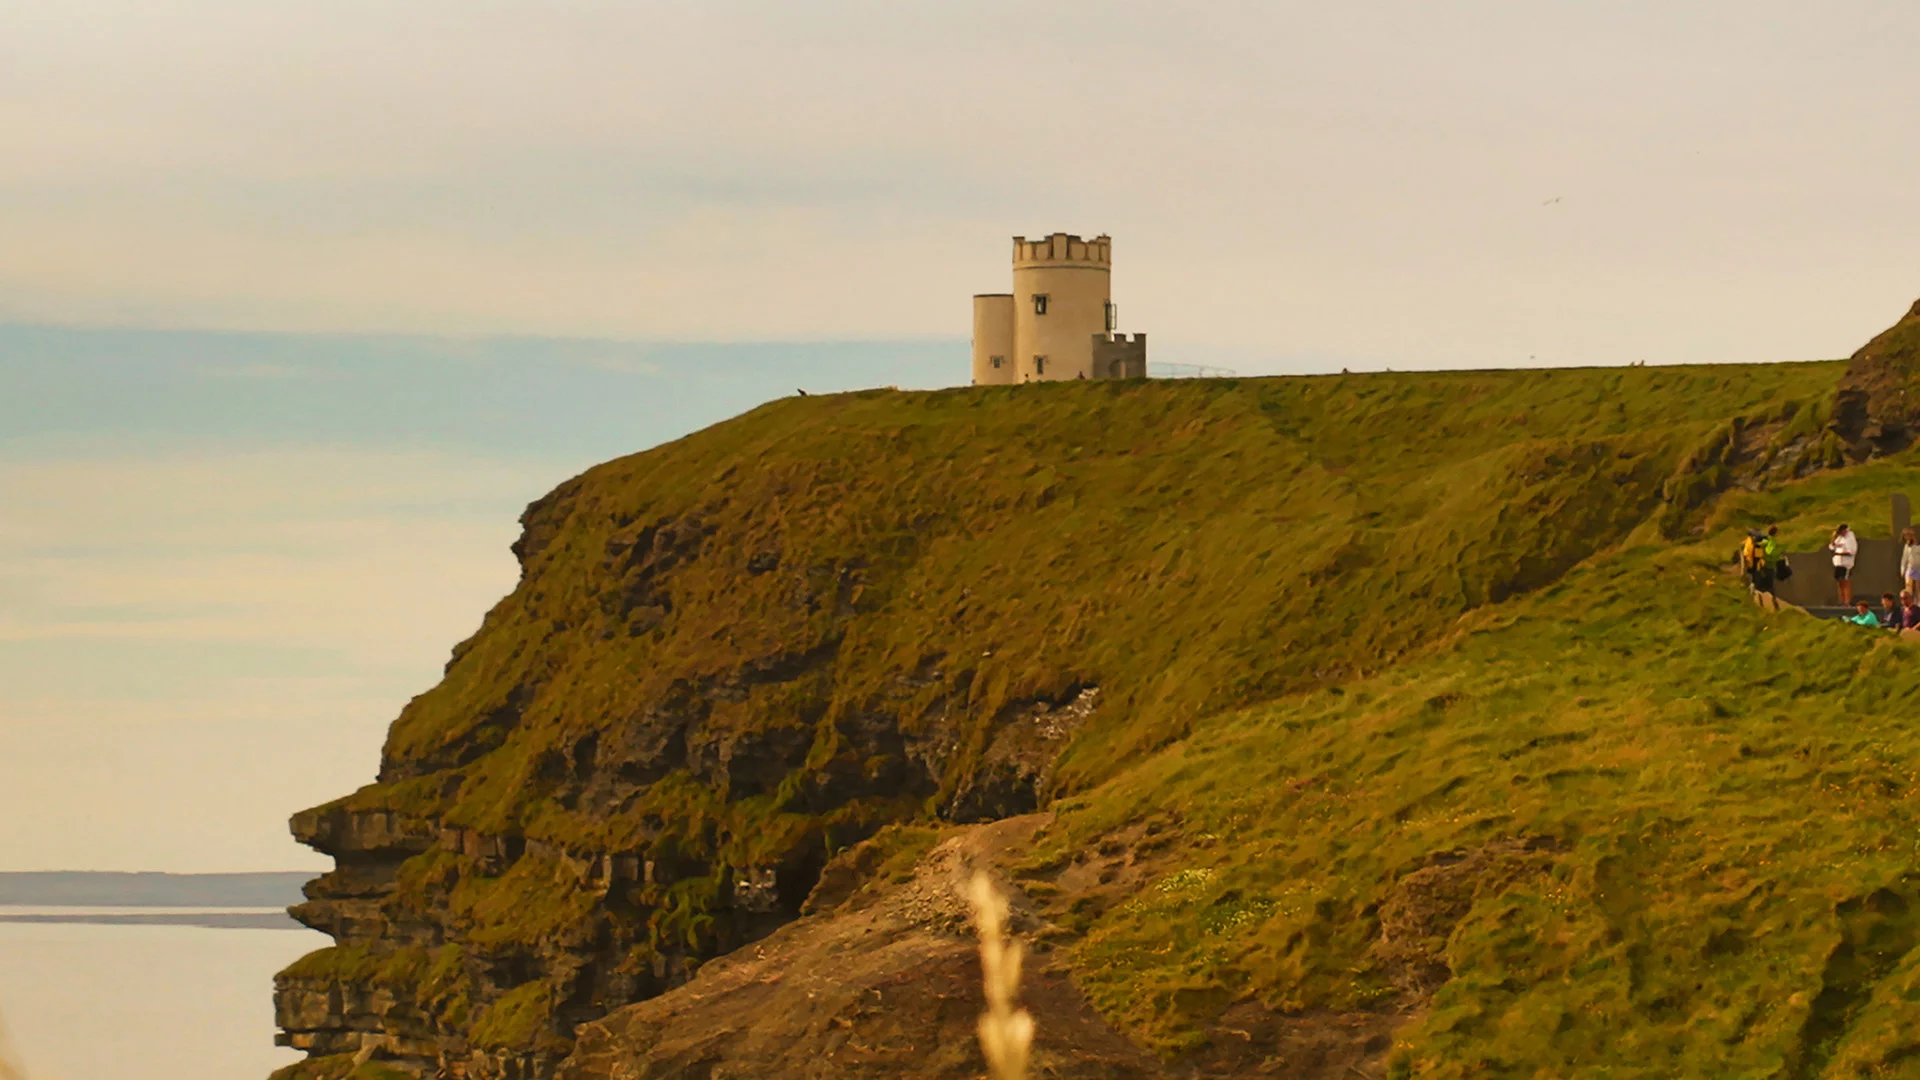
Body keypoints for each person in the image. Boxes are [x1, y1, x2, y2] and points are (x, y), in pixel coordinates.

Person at [1831, 524, 1859, 606]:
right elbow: (1832, 547)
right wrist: (1833, 537)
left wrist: (1840, 553)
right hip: (1838, 563)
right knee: (1839, 582)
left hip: (1846, 563)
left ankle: (1847, 602)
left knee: (1845, 581)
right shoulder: (1839, 538)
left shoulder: (1850, 538)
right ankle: (1842, 601)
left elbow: (1852, 551)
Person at [1902, 528, 1920, 598]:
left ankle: (1918, 604)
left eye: (1908, 535)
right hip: (1910, 568)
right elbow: (1904, 558)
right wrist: (1903, 569)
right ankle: (1908, 601)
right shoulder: (1907, 546)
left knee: (1917, 588)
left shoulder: (1918, 546)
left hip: (1918, 569)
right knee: (1908, 587)